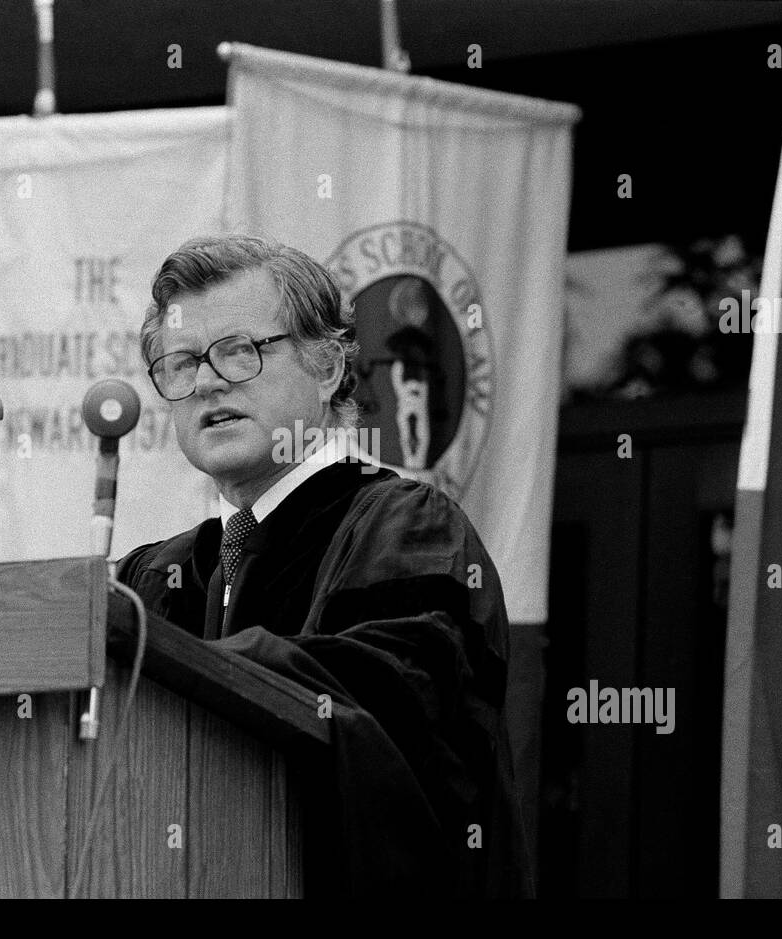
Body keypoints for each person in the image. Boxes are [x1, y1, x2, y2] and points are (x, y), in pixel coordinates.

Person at [115, 233, 533, 897]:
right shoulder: (150, 580)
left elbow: (388, 712)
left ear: (329, 366)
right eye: (183, 362)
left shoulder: (406, 529)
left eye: (240, 351)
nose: (210, 381)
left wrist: (190, 669)